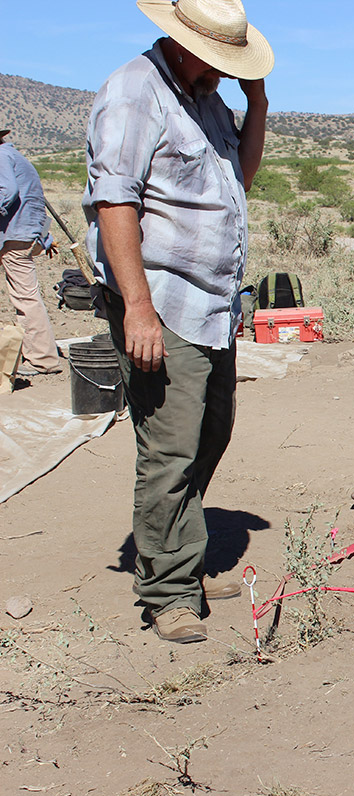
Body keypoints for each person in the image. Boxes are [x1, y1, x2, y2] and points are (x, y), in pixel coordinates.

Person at [82, 0, 273, 644]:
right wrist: (137, 307)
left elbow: (238, 180)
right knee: (170, 444)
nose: (224, 72)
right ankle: (167, 587)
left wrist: (258, 105)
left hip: (211, 306)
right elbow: (114, 201)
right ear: (182, 41)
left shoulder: (207, 99)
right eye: (218, 61)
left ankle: (178, 555)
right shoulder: (135, 93)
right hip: (161, 303)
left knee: (211, 430)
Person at [1, 129, 61, 376]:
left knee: (25, 297)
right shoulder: (14, 155)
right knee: (25, 295)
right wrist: (46, 239)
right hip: (25, 234)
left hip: (14, 236)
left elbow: (7, 192)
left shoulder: (1, 156)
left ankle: (42, 360)